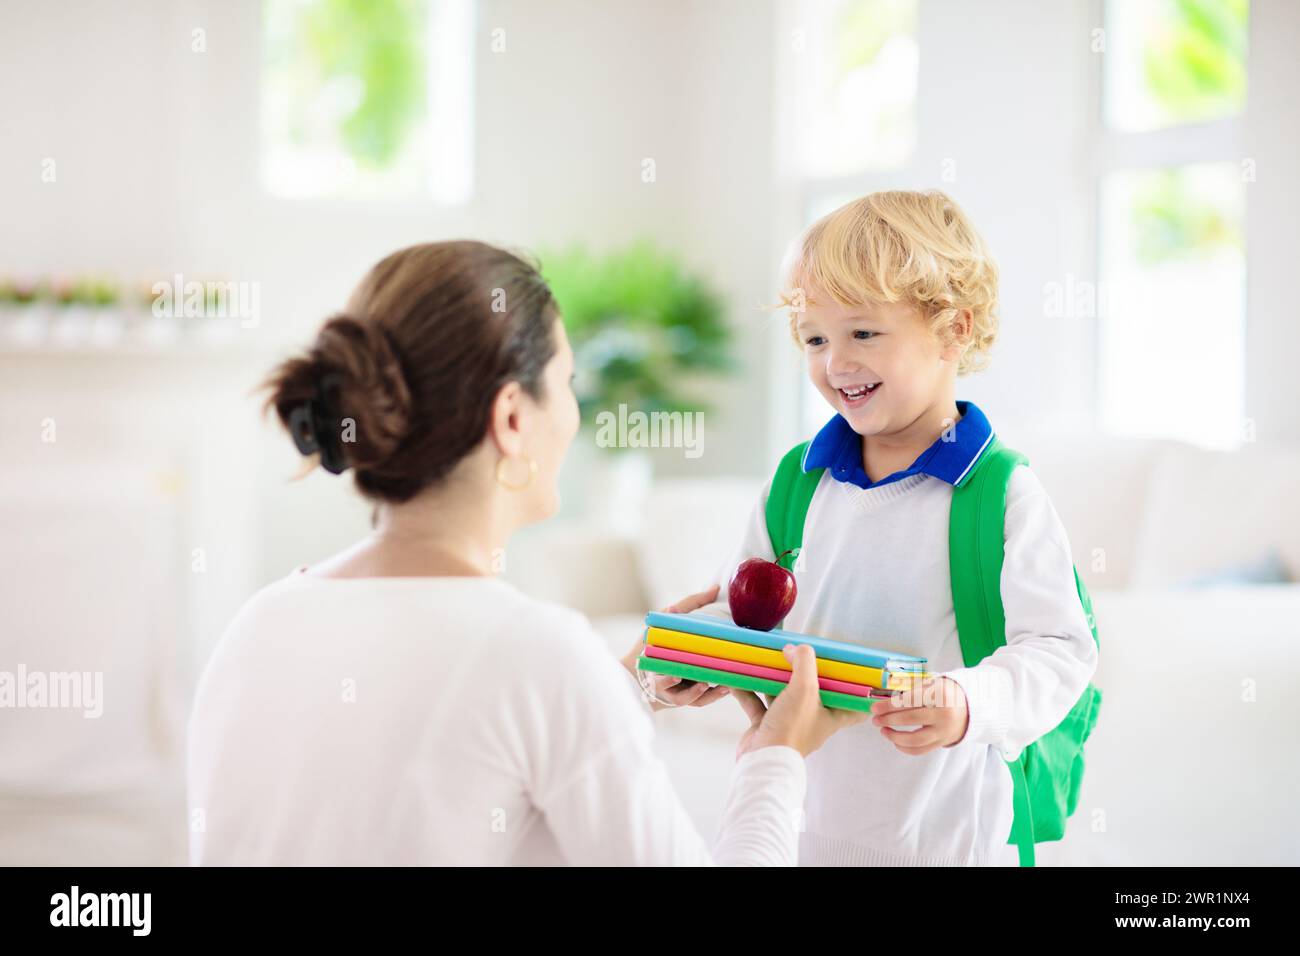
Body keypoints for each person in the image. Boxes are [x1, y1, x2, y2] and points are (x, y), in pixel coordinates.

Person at [186, 240, 867, 866]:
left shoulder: (256, 626)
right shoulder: (540, 655)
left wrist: (618, 691)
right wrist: (775, 757)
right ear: (513, 417)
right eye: (566, 383)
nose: (572, 416)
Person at [681, 191, 1098, 866]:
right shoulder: (797, 481)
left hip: (948, 837)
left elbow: (1059, 650)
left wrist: (967, 701)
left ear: (955, 329)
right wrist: (696, 658)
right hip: (805, 827)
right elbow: (754, 618)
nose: (834, 362)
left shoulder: (1000, 495)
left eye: (863, 333)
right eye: (814, 338)